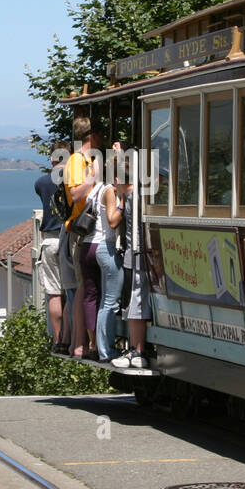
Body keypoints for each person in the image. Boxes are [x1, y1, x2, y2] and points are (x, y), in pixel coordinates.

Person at [64, 120, 102, 358]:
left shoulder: (83, 160)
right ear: (93, 136)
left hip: (87, 232)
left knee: (84, 288)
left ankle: (80, 342)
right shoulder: (77, 160)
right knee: (83, 289)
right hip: (81, 231)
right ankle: (78, 343)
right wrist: (95, 176)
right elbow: (76, 194)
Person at [112, 148, 151, 369]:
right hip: (135, 254)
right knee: (133, 303)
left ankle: (137, 350)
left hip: (137, 254)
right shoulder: (132, 195)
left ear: (118, 179)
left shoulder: (132, 197)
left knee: (135, 304)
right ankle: (134, 349)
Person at [94, 148, 128, 362]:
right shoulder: (110, 191)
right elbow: (113, 220)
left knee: (107, 301)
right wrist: (123, 202)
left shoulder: (105, 188)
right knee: (110, 302)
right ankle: (106, 350)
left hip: (104, 248)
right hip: (107, 248)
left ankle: (104, 347)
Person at [35, 141, 69, 352]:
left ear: (51, 158)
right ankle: (72, 337)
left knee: (54, 293)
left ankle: (58, 340)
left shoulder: (41, 182)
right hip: (71, 237)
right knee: (72, 292)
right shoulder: (76, 178)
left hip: (49, 240)